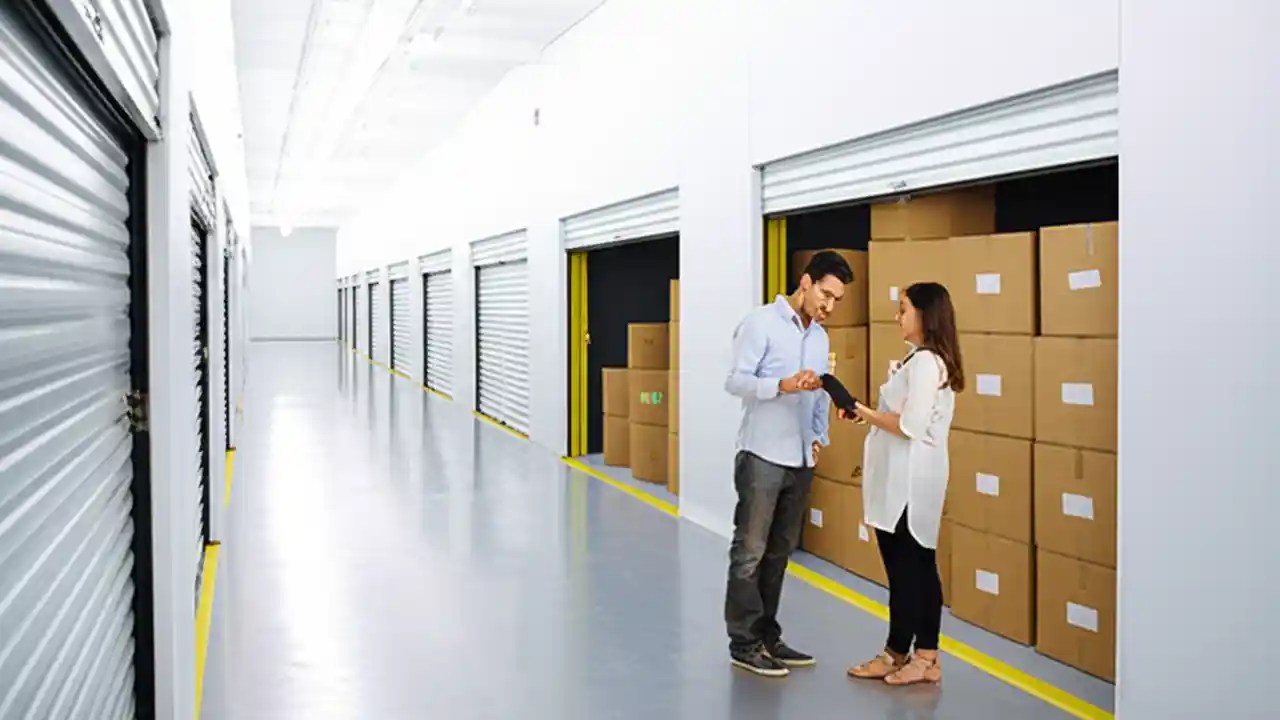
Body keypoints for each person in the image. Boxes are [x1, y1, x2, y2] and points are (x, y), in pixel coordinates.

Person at [722, 250, 854, 677]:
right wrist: (780, 385)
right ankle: (743, 643)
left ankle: (767, 636)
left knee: (779, 554)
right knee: (750, 552)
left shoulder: (820, 338)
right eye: (825, 294)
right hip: (761, 453)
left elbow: (818, 391)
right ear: (805, 282)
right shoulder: (760, 322)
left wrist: (819, 438)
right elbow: (735, 381)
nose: (829, 306)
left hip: (799, 457)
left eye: (837, 300)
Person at [844, 281, 964, 686]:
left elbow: (910, 425)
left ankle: (912, 655)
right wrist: (870, 416)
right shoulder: (919, 361)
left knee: (910, 570)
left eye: (903, 309)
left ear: (925, 315)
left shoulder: (928, 363)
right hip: (904, 480)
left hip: (910, 484)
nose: (897, 316)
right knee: (911, 568)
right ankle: (911, 655)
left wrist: (863, 410)